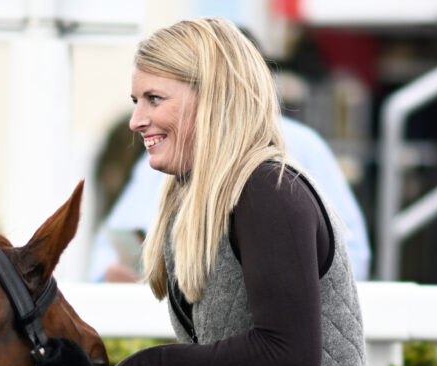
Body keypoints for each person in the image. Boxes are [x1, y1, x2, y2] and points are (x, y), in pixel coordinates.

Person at [109, 18, 408, 366]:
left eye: (154, 98)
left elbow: (288, 358)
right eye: (135, 99)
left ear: (211, 94)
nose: (136, 119)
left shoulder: (270, 190)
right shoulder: (195, 208)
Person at [88, 76, 371, 283]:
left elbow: (351, 252)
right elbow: (112, 241)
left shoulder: (300, 146)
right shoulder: (170, 147)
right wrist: (109, 275)